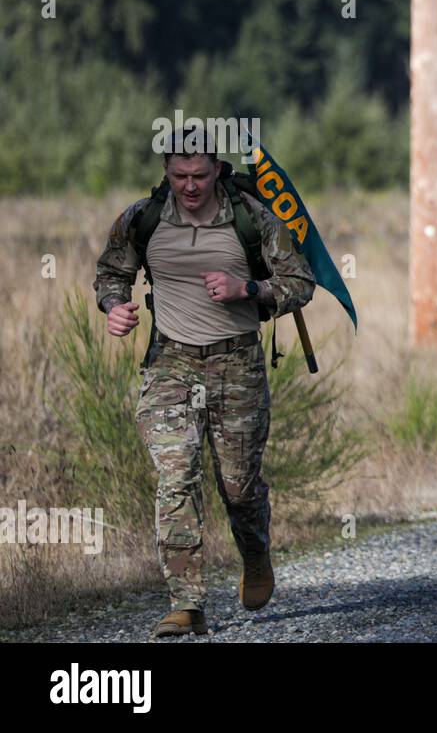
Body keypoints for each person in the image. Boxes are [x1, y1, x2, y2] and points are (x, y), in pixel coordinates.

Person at [93, 129, 315, 637]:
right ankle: (187, 603)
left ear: (217, 169)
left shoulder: (254, 218)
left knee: (238, 488)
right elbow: (111, 273)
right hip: (170, 363)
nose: (188, 186)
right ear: (166, 172)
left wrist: (249, 288)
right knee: (176, 478)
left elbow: (300, 284)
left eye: (198, 175)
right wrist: (115, 308)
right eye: (178, 176)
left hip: (237, 364)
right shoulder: (141, 219)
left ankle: (255, 554)